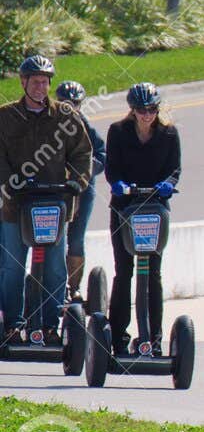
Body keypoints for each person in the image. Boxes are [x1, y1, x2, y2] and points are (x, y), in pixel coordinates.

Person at [0, 54, 92, 346]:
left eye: (45, 82)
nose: (41, 87)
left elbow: (82, 153)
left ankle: (50, 326)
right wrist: (10, 182)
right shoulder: (5, 116)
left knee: (54, 267)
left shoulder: (65, 115)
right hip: (15, 205)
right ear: (23, 82)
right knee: (13, 266)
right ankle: (13, 324)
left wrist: (77, 181)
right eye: (35, 81)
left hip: (55, 204)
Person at [104, 82, 183, 356]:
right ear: (132, 110)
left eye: (151, 109)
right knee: (124, 271)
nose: (147, 114)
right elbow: (111, 168)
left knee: (152, 274)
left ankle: (153, 338)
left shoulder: (169, 134)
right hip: (124, 208)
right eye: (141, 110)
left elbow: (175, 169)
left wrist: (168, 184)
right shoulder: (118, 132)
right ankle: (117, 338)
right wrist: (118, 184)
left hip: (154, 211)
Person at [54, 80, 105, 303]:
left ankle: (73, 287)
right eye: (65, 103)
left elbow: (102, 156)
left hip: (83, 191)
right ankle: (51, 287)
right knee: (53, 239)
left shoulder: (86, 127)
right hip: (56, 192)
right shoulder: (49, 125)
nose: (70, 107)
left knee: (75, 239)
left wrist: (83, 170)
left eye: (75, 103)